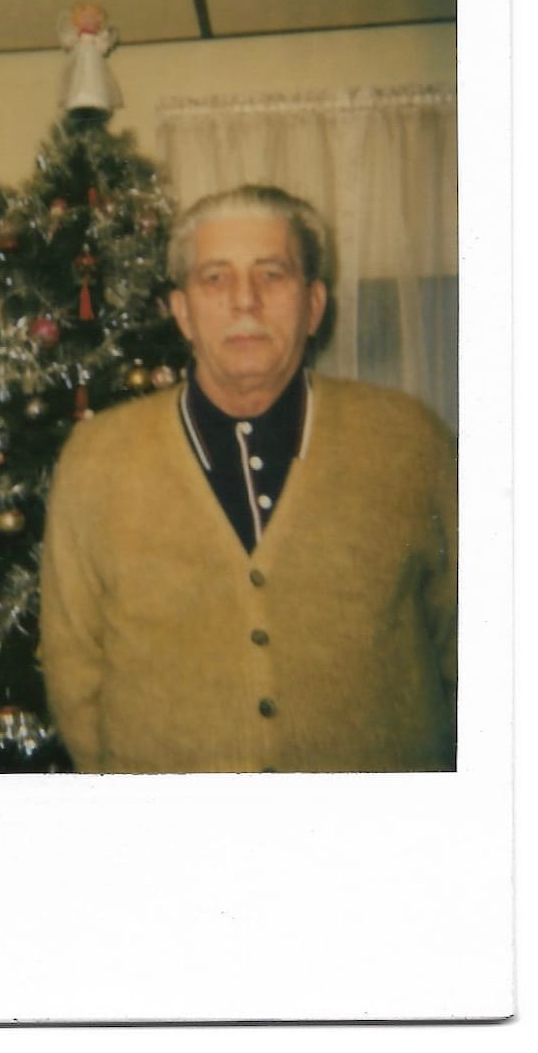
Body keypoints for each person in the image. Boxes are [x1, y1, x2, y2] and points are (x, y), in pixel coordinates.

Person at [39, 184, 457, 773]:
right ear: (182, 311)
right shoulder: (95, 458)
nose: (245, 301)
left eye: (272, 274)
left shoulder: (412, 441)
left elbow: (474, 640)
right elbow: (73, 662)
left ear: (314, 305)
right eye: (214, 278)